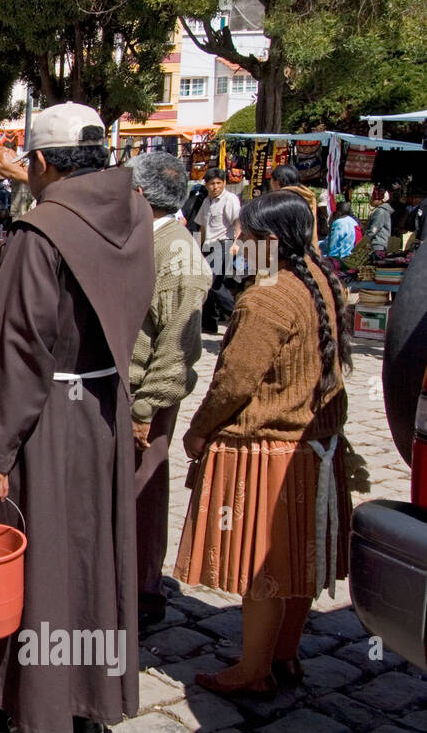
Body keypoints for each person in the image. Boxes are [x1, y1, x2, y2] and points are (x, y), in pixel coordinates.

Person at [0, 103, 155, 733]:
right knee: (96, 561)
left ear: (48, 161)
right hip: (103, 409)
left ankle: (41, 720)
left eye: (30, 161)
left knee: (50, 567)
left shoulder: (42, 233)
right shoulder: (138, 215)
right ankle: (90, 708)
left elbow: (19, 346)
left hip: (49, 417)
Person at [175, 189, 352, 698]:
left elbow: (234, 382)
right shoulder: (320, 278)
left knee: (264, 569)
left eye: (245, 237)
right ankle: (283, 654)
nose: (236, 243)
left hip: (271, 450)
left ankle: (255, 670)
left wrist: (200, 429)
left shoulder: (267, 297)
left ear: (270, 243)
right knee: (297, 563)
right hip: (316, 446)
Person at [127, 152, 214, 628]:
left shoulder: (177, 253)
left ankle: (142, 592)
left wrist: (147, 407)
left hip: (146, 398)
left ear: (140, 196)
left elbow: (179, 345)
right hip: (129, 393)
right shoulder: (148, 239)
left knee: (141, 496)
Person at [195, 168, 241, 331]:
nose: (215, 187)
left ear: (224, 184)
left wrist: (236, 243)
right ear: (206, 185)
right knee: (207, 283)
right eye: (212, 184)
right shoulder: (207, 202)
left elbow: (237, 224)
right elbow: (202, 227)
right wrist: (198, 248)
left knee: (213, 284)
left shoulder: (230, 199)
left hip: (224, 244)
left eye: (218, 183)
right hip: (208, 246)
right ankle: (208, 324)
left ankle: (238, 315)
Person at [270, 164, 320, 250]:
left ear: (277, 182)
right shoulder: (309, 197)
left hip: (286, 254)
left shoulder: (281, 200)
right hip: (310, 251)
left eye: (271, 179)